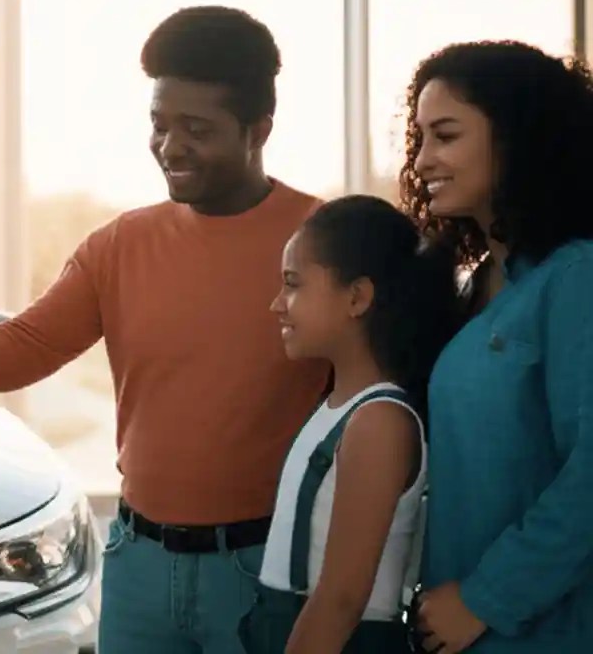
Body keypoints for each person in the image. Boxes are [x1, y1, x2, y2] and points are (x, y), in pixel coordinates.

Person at [0, 5, 331, 653]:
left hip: (264, 565)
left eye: (197, 129)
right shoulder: (120, 244)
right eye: (159, 124)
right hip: (138, 562)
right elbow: (27, 347)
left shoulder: (322, 241)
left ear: (259, 129)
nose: (170, 147)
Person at [398, 41, 593, 653]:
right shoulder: (475, 280)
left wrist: (487, 597)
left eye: (447, 136)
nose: (424, 159)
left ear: (516, 139)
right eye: (421, 137)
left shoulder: (575, 277)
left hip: (539, 628)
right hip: (456, 622)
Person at [240, 195, 459, 653]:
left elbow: (340, 599)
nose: (276, 304)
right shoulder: (339, 409)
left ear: (357, 297)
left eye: (293, 284)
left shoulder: (378, 422)